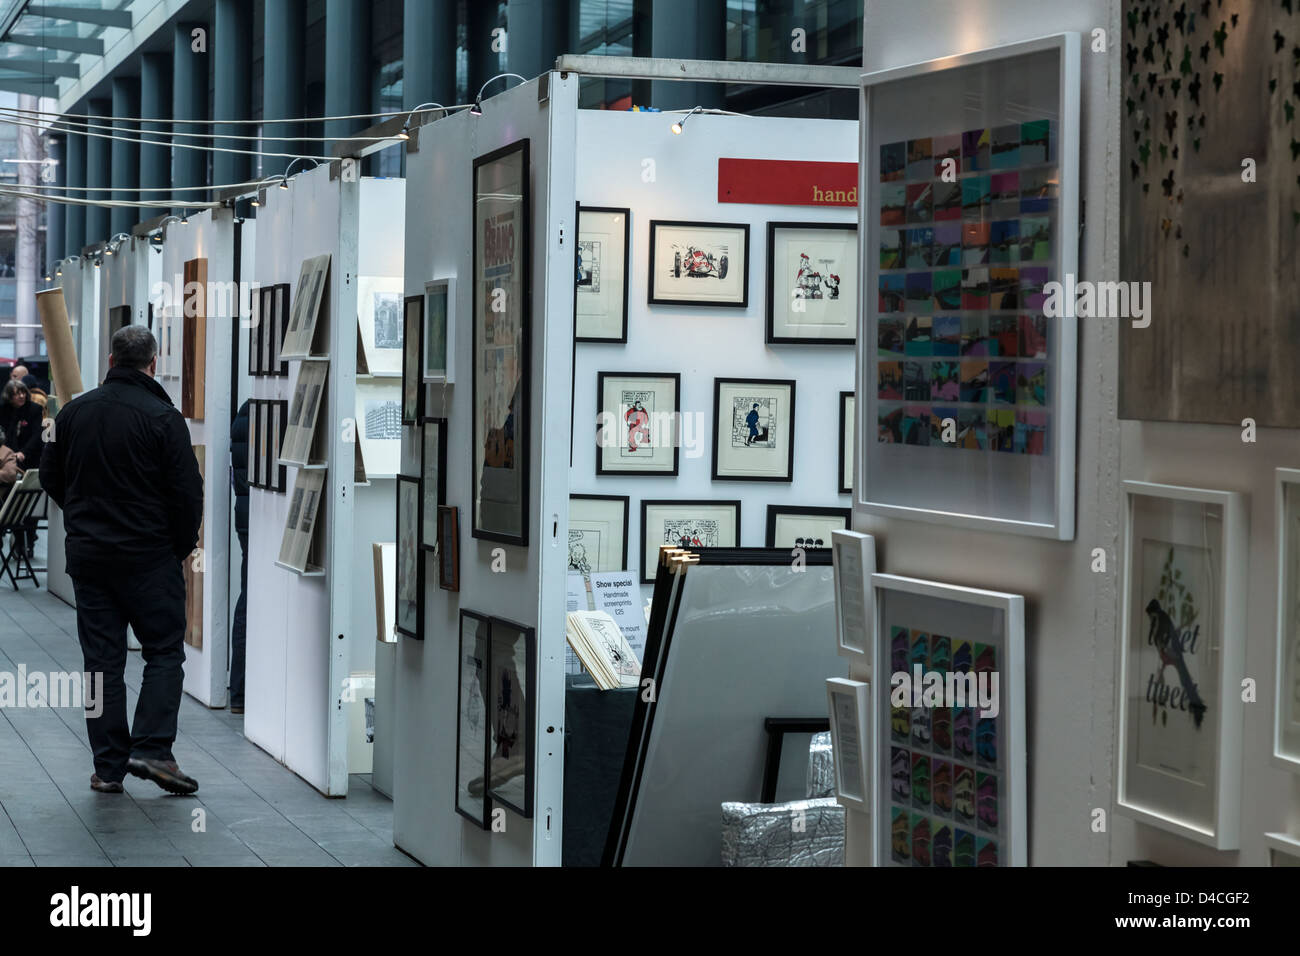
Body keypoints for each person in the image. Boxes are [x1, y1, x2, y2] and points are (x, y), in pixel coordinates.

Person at [40, 325, 204, 796]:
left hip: (90, 560)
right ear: (152, 365)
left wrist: (84, 516)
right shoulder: (164, 418)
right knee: (165, 652)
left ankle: (108, 767)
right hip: (150, 558)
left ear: (111, 362)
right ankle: (152, 748)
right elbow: (186, 495)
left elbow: (51, 476)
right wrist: (178, 545)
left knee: (101, 664)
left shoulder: (72, 414)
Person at [0, 380, 45, 557]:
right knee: (14, 503)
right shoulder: (4, 410)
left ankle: (30, 542)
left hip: (29, 461)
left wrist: (23, 453)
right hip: (9, 460)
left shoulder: (34, 409)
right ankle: (19, 543)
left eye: (22, 392)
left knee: (29, 505)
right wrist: (9, 453)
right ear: (9, 396)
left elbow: (37, 436)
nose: (21, 396)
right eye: (16, 393)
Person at [229, 399, 249, 715]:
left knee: (249, 598)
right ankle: (242, 692)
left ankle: (240, 692)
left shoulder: (246, 410)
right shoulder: (267, 409)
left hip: (246, 515)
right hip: (261, 518)